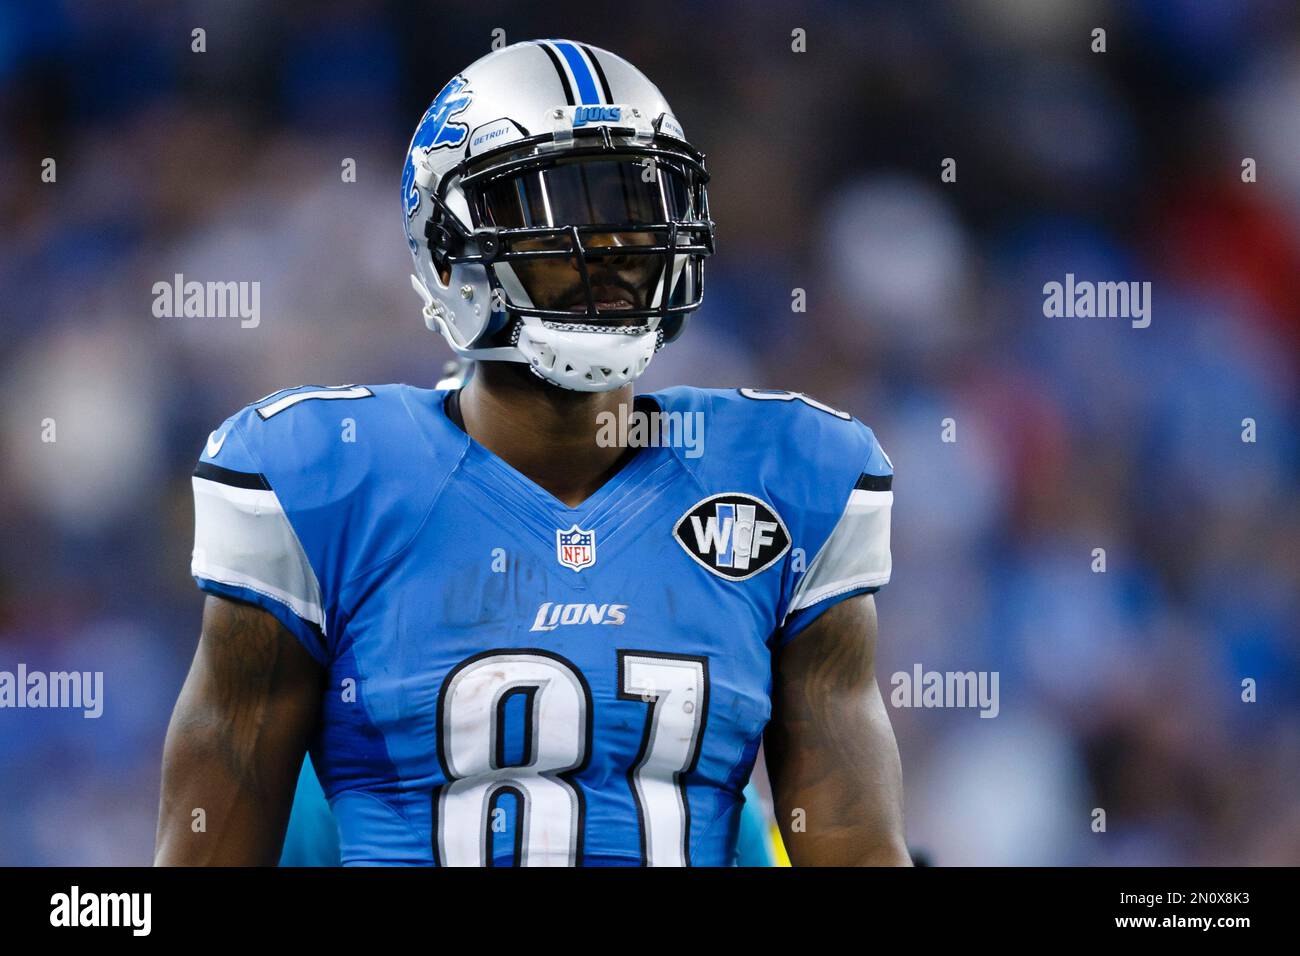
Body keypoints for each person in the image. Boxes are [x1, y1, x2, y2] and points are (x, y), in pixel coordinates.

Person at [156, 39, 909, 866]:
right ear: (449, 252)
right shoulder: (320, 479)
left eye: (633, 206)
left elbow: (856, 853)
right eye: (564, 211)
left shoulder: (786, 474)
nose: (615, 249)